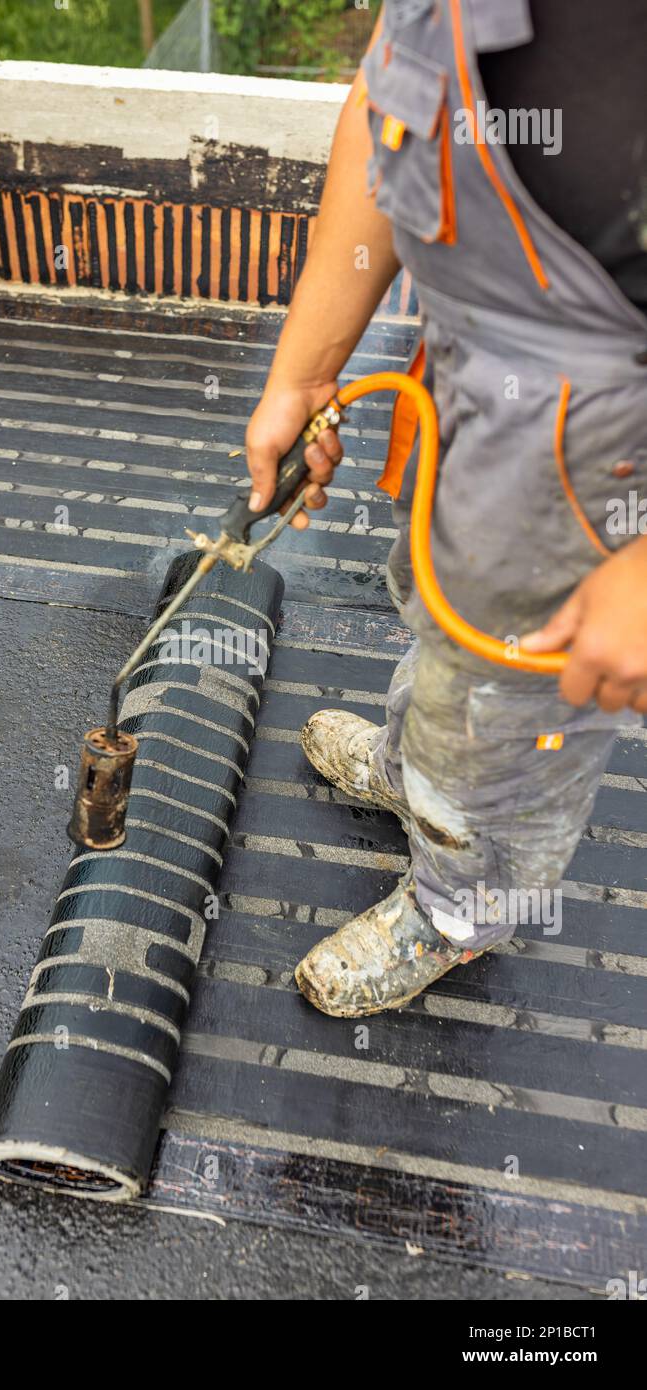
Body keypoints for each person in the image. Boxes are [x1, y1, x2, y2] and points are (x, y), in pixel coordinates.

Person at [243, 0, 647, 1018]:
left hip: (609, 449)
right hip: (478, 380)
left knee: (506, 712)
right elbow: (398, 100)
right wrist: (304, 371)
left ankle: (461, 906)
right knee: (437, 610)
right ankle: (410, 768)